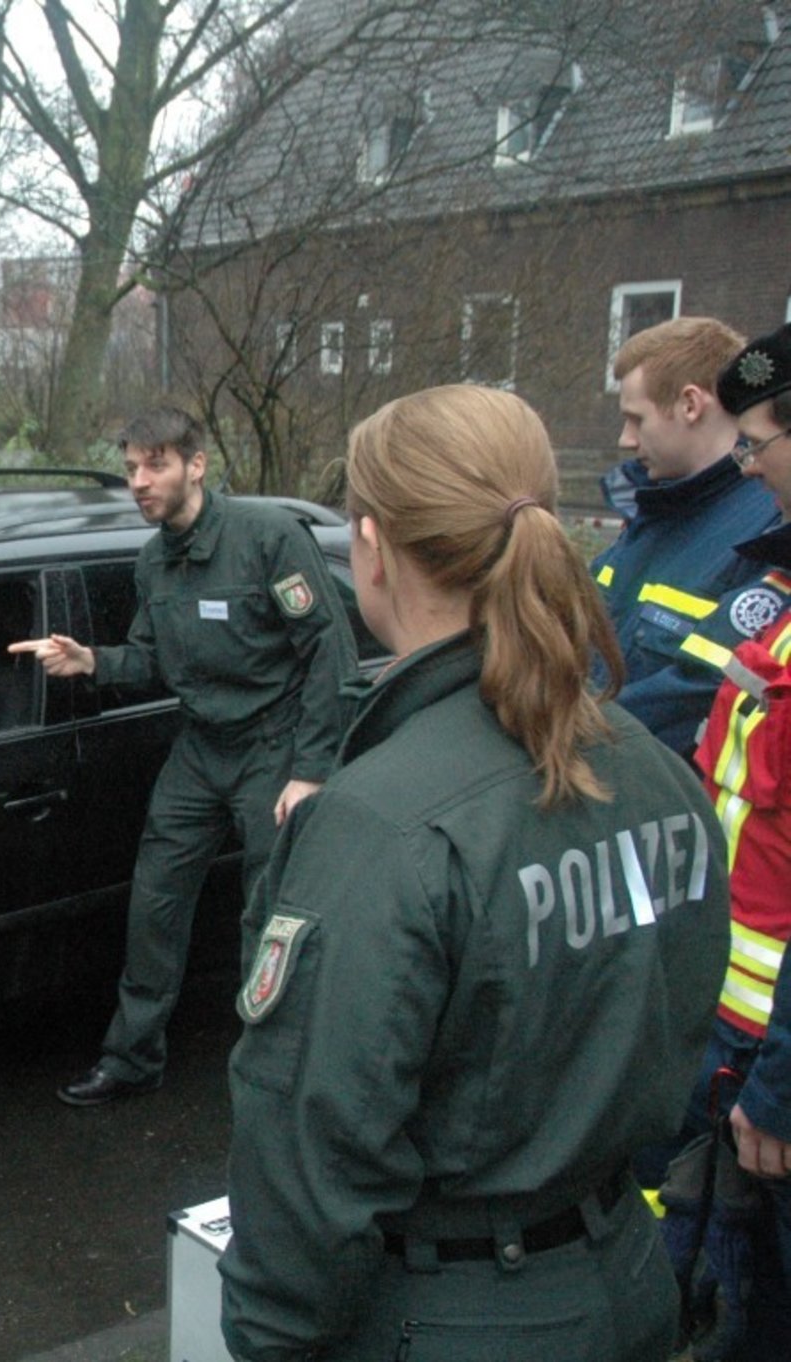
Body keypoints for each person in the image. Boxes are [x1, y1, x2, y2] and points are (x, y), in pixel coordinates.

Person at [220, 384, 729, 1362]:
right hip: (625, 1275)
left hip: (450, 1312)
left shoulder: (377, 825)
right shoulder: (656, 772)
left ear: (369, 547)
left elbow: (311, 1156)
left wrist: (268, 1340)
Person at [8, 405, 356, 1105]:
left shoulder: (266, 538)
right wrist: (92, 660)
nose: (139, 480)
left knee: (267, 918)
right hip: (201, 749)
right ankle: (132, 1059)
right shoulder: (152, 561)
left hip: (273, 746)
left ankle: (272, 1073)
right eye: (131, 466)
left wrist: (311, 769)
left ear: (196, 465)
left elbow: (329, 651)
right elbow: (150, 660)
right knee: (155, 904)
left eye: (156, 464)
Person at [663, 320, 791, 1360]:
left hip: (769, 1056)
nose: (748, 468)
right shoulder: (778, 583)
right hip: (732, 1025)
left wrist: (779, 1080)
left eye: (756, 442)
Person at [593, 317, 781, 757]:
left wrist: (562, 733)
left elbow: (696, 693)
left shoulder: (764, 529)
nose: (625, 439)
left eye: (635, 420)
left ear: (690, 405)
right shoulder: (654, 512)